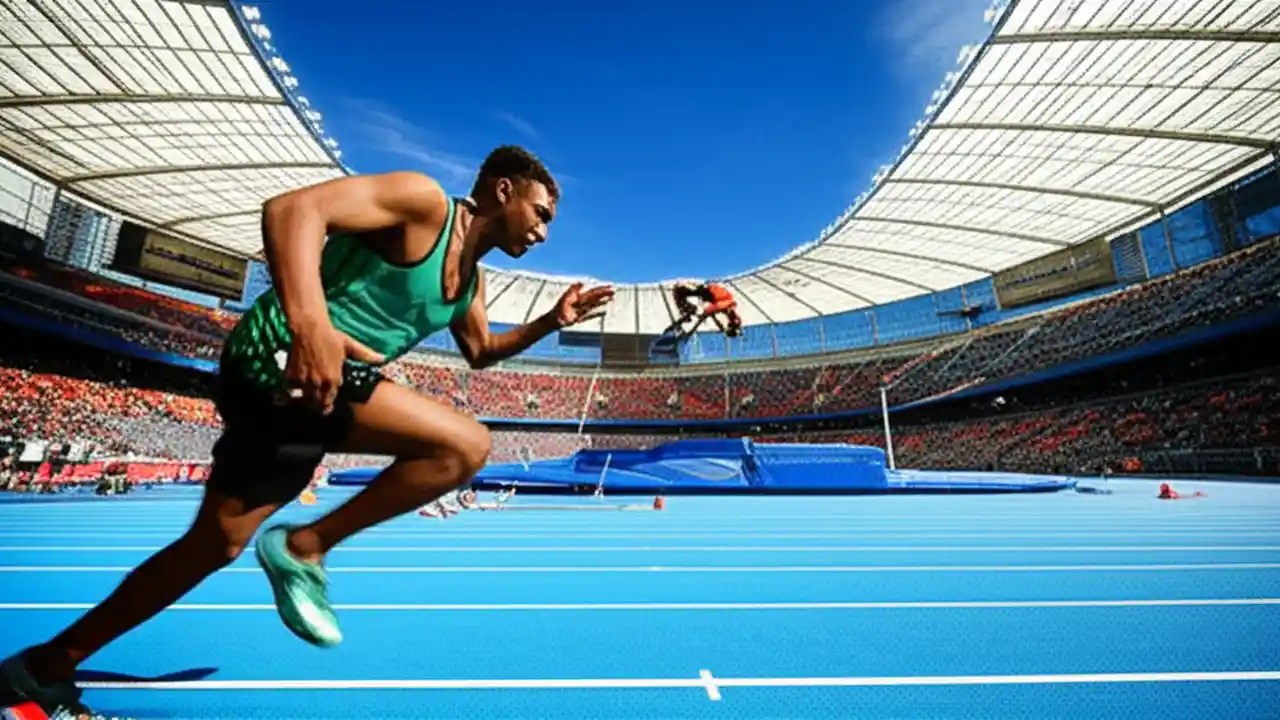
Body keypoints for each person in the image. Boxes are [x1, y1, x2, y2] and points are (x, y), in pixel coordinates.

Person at [0, 146, 613, 717]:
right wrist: (312, 324)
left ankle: (42, 668)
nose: (544, 231)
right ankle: (305, 547)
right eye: (541, 213)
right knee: (464, 444)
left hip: (316, 398)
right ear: (503, 191)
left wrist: (549, 321)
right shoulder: (424, 203)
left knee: (214, 545)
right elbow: (293, 210)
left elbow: (481, 351)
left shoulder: (470, 284)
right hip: (278, 358)